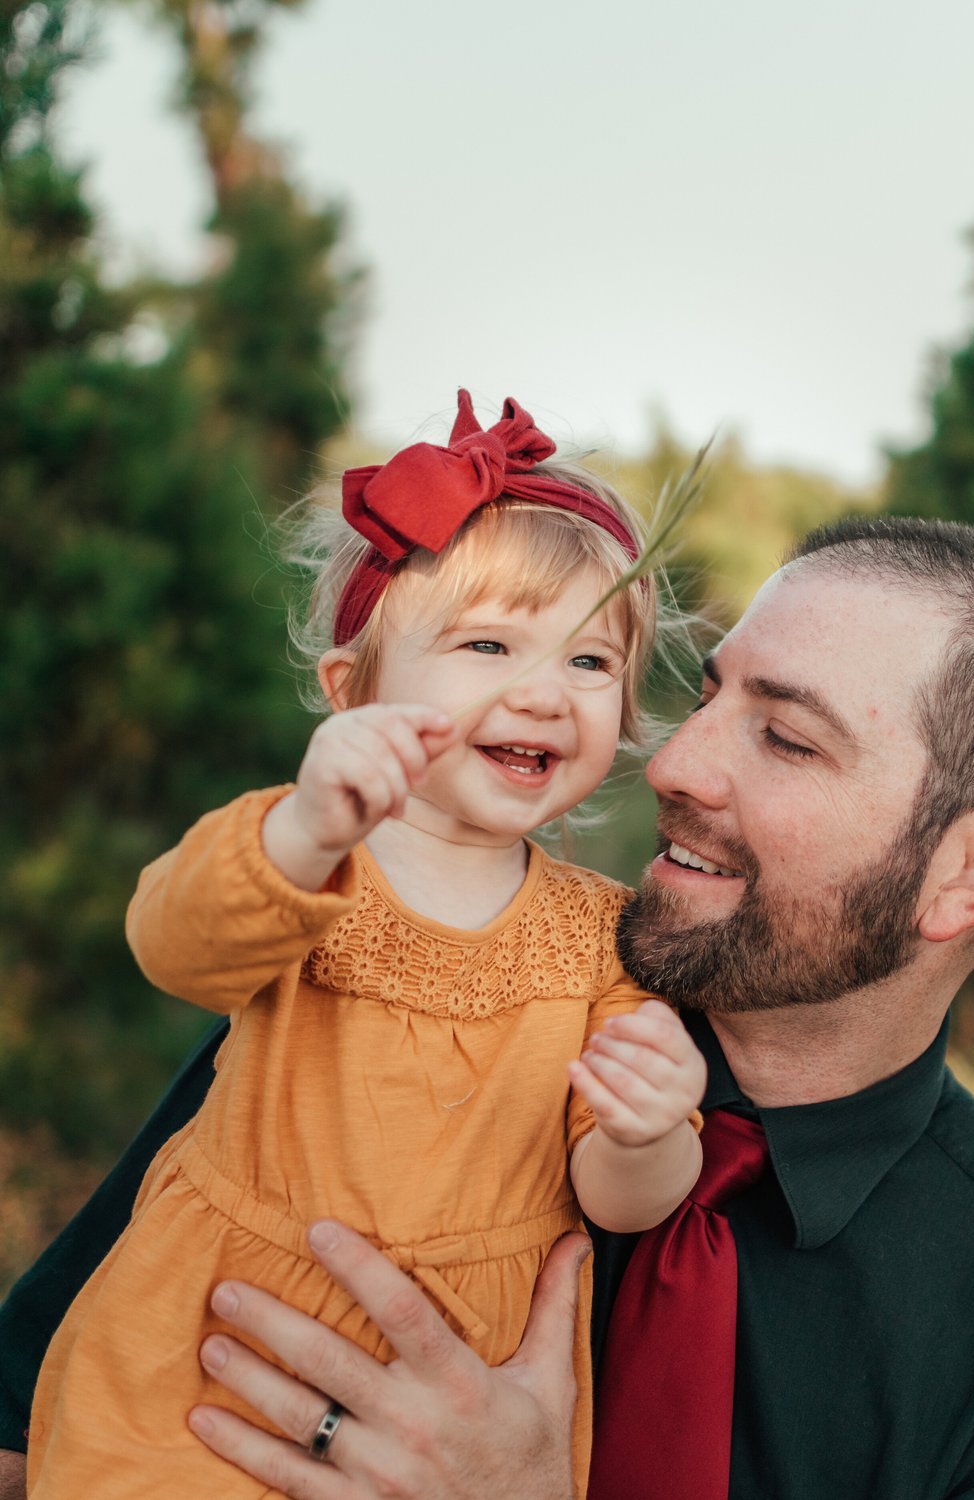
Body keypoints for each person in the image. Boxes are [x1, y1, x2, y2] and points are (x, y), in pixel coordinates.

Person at [5, 511, 974, 1499]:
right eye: (702, 698)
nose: (669, 764)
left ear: (973, 870)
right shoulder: (350, 991)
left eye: (785, 738)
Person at [22, 390, 705, 1500]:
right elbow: (175, 947)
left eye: (589, 663)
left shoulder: (600, 938)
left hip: (458, 1402)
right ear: (353, 694)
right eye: (488, 644)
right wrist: (303, 825)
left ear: (624, 712)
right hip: (206, 1358)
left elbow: (615, 1196)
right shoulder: (306, 858)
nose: (542, 693)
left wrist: (651, 1128)